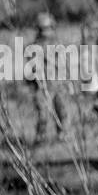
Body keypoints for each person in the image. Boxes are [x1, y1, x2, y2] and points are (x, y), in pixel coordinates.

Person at [28, 12, 71, 143]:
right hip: (42, 85)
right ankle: (41, 137)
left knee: (62, 111)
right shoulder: (34, 46)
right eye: (43, 29)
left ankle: (63, 135)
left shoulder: (58, 44)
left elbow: (65, 64)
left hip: (58, 84)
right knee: (43, 114)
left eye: (48, 28)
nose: (46, 32)